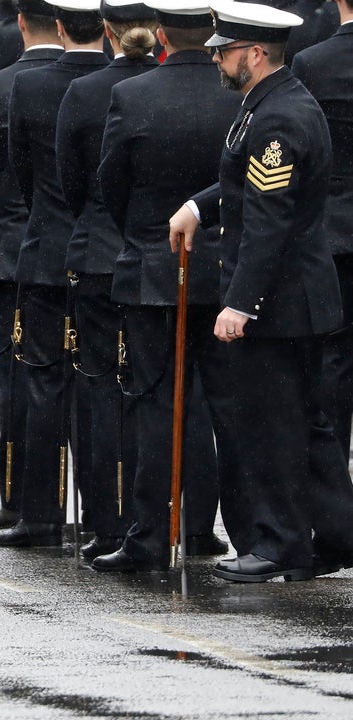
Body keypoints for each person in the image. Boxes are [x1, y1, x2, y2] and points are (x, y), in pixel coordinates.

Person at [167, 0, 353, 581]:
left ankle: (280, 544)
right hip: (295, 294)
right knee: (307, 424)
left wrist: (240, 303)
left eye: (223, 51)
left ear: (254, 53)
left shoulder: (277, 118)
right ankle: (335, 537)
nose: (215, 59)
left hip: (280, 300)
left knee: (275, 425)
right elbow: (246, 186)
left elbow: (269, 220)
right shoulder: (273, 102)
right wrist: (200, 205)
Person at [90, 0, 237, 572]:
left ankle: (150, 536)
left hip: (155, 266)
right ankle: (228, 533)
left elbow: (112, 183)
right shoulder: (238, 96)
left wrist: (147, 237)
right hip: (225, 268)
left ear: (160, 32)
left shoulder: (132, 94)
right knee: (226, 408)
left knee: (155, 407)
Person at [0, 0, 108, 549]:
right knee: (100, 385)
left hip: (46, 245)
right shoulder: (122, 84)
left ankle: (40, 513)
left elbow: (20, 168)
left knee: (42, 383)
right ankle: (105, 517)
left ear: (59, 26)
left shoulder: (32, 84)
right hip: (102, 249)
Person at [54, 0, 160, 558]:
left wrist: (97, 224)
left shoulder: (86, 91)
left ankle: (110, 520)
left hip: (99, 250)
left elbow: (72, 179)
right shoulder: (179, 86)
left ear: (108, 29)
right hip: (164, 254)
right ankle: (181, 521)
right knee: (167, 393)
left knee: (100, 390)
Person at [0, 0, 63, 534]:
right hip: (67, 246)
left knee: (15, 382)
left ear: (22, 22)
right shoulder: (90, 81)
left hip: (8, 244)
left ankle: (19, 499)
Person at [292, 0, 353, 462]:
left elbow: (304, 146)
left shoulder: (312, 62)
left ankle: (333, 480)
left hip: (333, 228)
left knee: (333, 358)